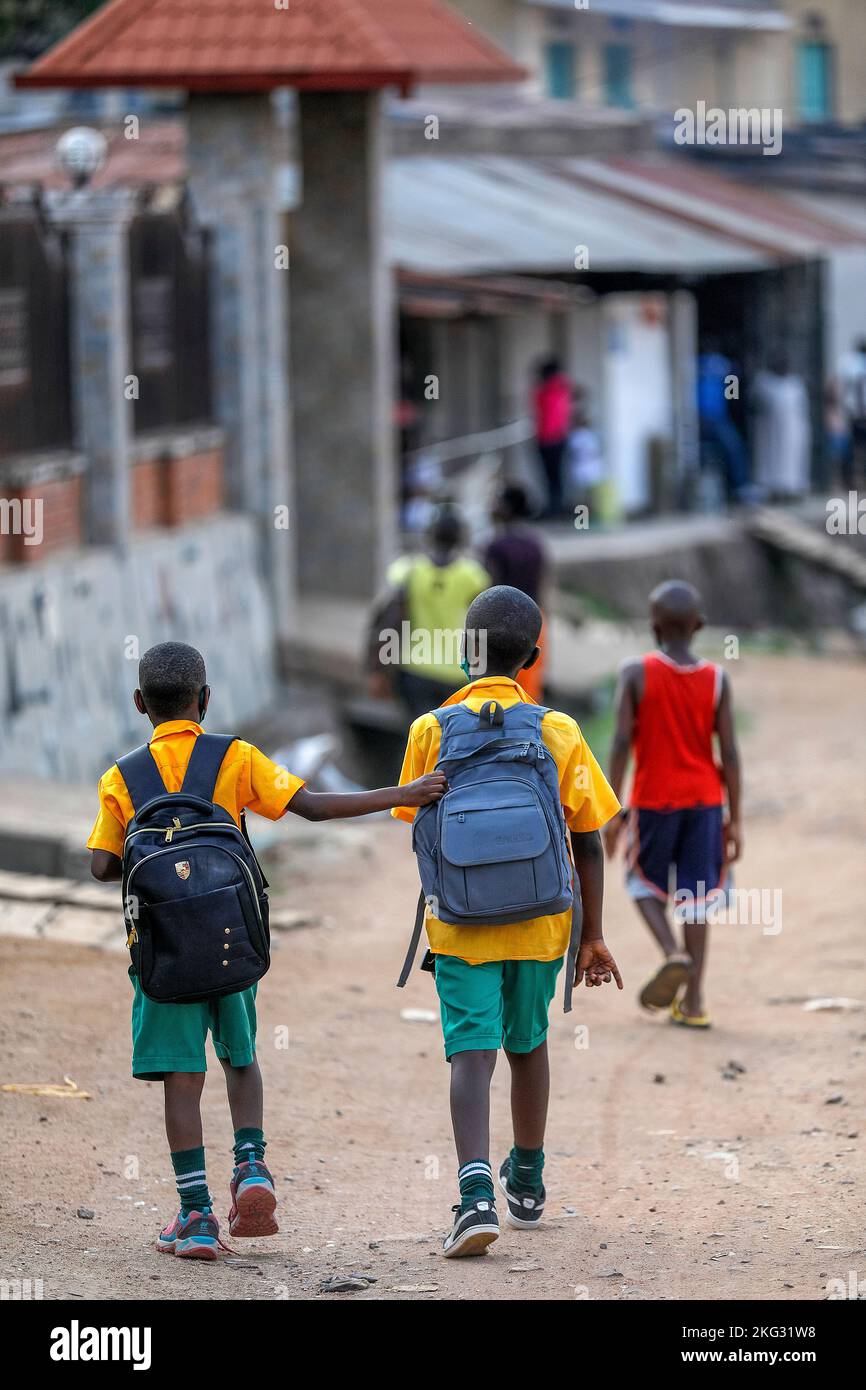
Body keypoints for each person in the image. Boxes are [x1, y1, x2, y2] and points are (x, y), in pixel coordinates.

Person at [87, 642, 445, 1260]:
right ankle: (251, 1166)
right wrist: (402, 793)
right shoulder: (236, 757)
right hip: (231, 943)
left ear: (140, 704)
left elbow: (101, 866)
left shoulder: (121, 776)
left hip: (162, 957)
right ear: (206, 700)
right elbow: (312, 807)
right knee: (242, 1057)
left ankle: (196, 1215)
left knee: (182, 1075)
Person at [392, 586, 622, 1257]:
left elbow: (416, 821)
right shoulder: (559, 731)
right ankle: (526, 1171)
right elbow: (589, 837)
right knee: (528, 1045)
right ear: (535, 658)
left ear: (465, 652)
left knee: (471, 1054)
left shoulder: (430, 731)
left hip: (459, 925)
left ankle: (473, 1197)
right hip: (542, 922)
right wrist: (595, 935)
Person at [602, 582, 742, 1028]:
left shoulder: (635, 672)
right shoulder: (718, 679)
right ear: (699, 626)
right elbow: (731, 753)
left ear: (653, 626)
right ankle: (695, 1002)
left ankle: (672, 952)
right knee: (697, 898)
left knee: (640, 881)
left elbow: (622, 739)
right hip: (705, 802)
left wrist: (610, 808)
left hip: (653, 800)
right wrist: (735, 820)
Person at [368, 505, 490, 721]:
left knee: (420, 737)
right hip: (455, 671)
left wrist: (379, 667)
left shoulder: (409, 569)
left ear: (431, 535)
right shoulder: (472, 575)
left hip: (415, 667)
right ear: (459, 538)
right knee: (451, 739)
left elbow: (391, 618)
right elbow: (482, 622)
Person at [483, 484, 548, 702]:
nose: (492, 506)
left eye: (497, 501)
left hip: (503, 620)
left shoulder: (494, 545)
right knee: (529, 693)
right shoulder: (535, 543)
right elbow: (543, 584)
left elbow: (490, 588)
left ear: (508, 508)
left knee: (499, 690)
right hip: (536, 619)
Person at [752, 354, 811, 500]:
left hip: (793, 431)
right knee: (771, 461)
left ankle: (792, 491)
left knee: (793, 461)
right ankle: (773, 491)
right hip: (770, 432)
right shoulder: (764, 383)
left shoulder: (795, 384)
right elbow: (753, 404)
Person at [697, 341, 750, 502]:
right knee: (735, 449)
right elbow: (732, 395)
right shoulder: (724, 364)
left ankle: (735, 488)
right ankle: (741, 487)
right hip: (714, 418)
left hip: (698, 418)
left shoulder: (695, 363)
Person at [533, 358, 572, 517]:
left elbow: (545, 414)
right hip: (558, 437)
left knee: (551, 476)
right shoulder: (563, 388)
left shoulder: (547, 390)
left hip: (548, 438)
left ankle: (555, 508)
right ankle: (557, 506)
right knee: (556, 476)